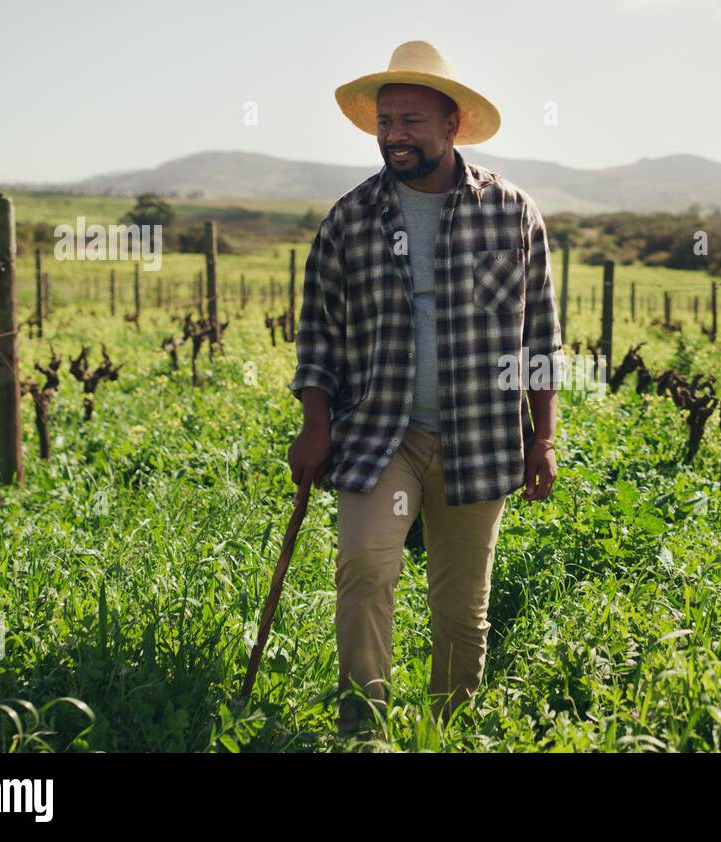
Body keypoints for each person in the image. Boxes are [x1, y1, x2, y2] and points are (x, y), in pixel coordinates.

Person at [286, 40, 562, 733]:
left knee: (461, 603)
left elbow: (542, 339)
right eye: (385, 121)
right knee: (364, 571)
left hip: (482, 436)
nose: (395, 135)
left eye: (410, 120)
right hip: (383, 434)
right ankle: (363, 731)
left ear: (452, 125)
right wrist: (314, 425)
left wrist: (546, 437)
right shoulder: (350, 219)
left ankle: (448, 731)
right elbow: (318, 332)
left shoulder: (512, 213)